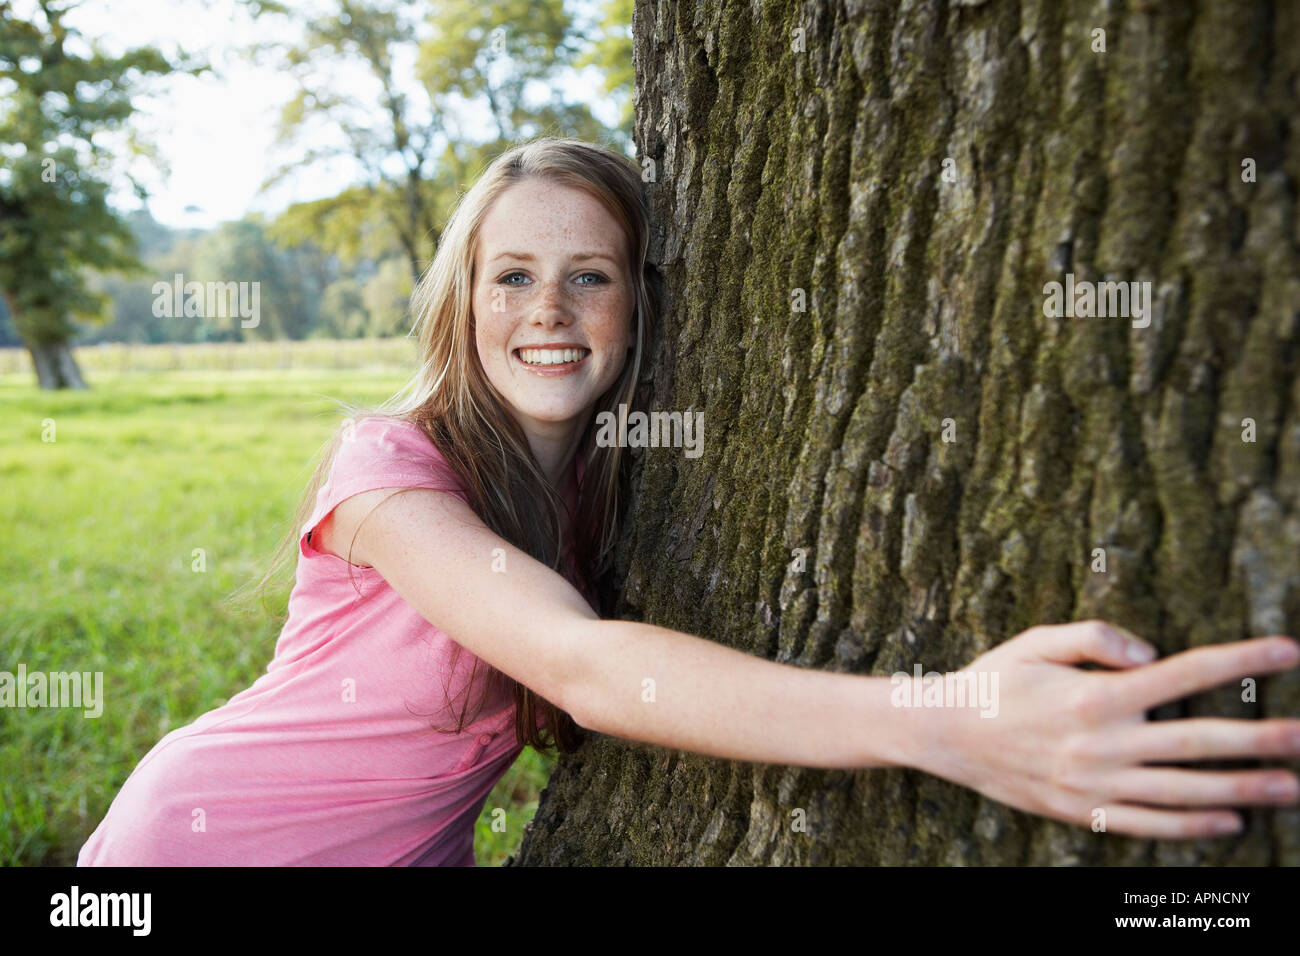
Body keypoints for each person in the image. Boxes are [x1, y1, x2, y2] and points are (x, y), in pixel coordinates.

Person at [79, 137, 1300, 865]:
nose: (546, 308)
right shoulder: (390, 471)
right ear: (461, 303)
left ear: (636, 307)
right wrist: (955, 716)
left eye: (588, 275)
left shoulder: (623, 494)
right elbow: (587, 664)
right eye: (511, 275)